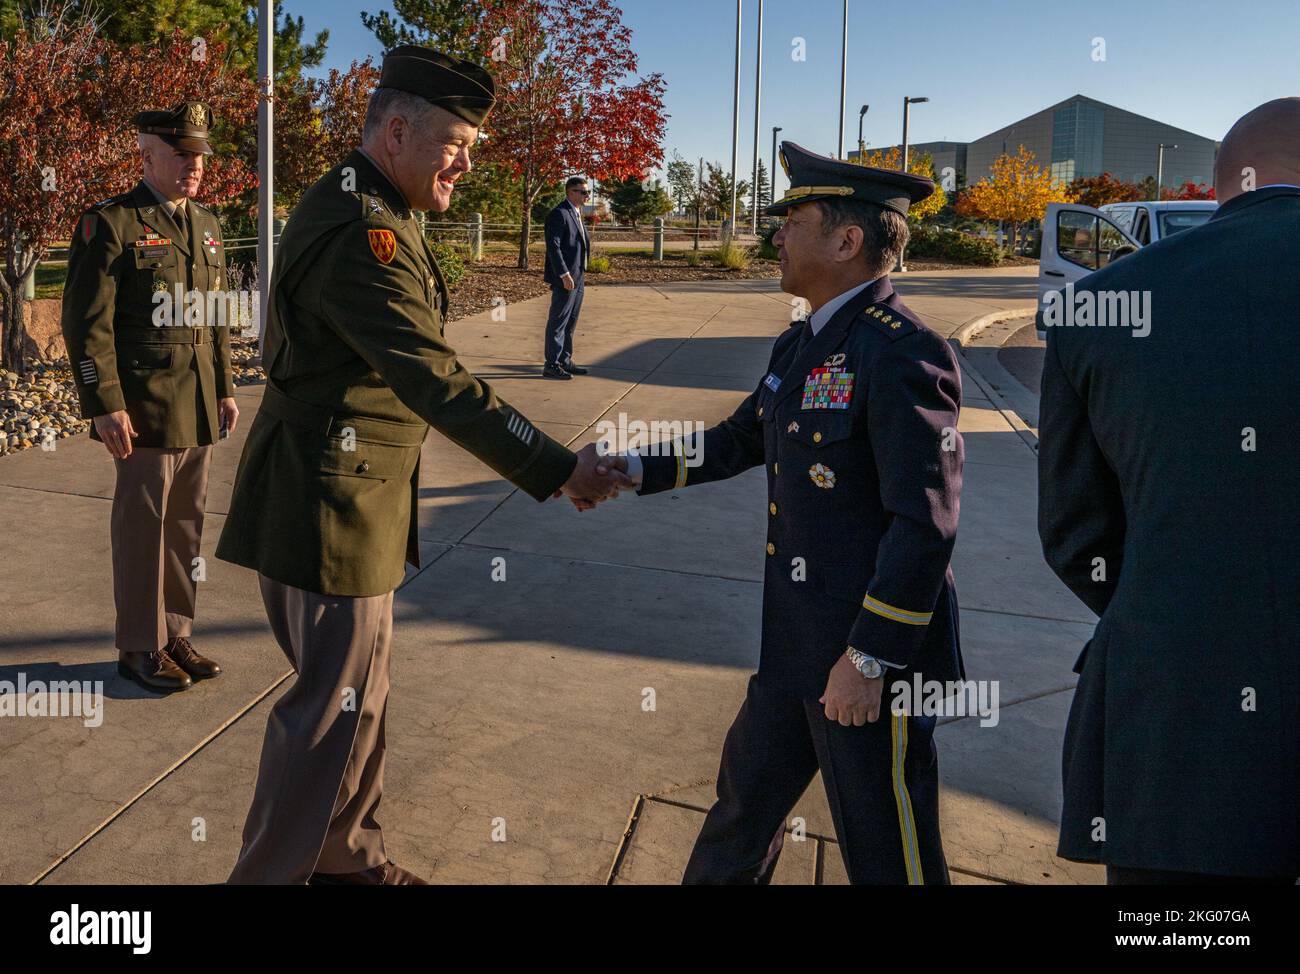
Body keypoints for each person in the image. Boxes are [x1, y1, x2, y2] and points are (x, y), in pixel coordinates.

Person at [217, 46, 627, 885]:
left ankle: (347, 860)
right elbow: (438, 380)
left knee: (359, 702)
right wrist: (557, 467)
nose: (468, 164)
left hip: (351, 501)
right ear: (397, 132)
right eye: (456, 144)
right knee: (326, 717)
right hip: (331, 509)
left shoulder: (369, 205)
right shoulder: (360, 232)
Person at [595, 143, 964, 884]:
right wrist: (628, 469)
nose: (777, 236)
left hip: (865, 662)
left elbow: (925, 523)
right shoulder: (804, 341)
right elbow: (740, 439)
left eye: (793, 220)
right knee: (741, 817)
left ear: (847, 241)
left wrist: (867, 660)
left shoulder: (903, 353)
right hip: (795, 644)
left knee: (887, 846)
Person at [1038, 97, 1300, 885]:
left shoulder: (1096, 307)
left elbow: (1076, 537)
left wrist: (1175, 612)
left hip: (1179, 742)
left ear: (1220, 185)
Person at [60, 101, 232, 693]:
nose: (194, 165)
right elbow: (87, 324)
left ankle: (174, 632)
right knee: (144, 528)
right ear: (148, 155)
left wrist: (226, 387)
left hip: (199, 404)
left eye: (199, 156)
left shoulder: (206, 225)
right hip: (143, 409)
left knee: (185, 525)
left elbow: (215, 317)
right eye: (181, 154)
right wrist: (104, 401)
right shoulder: (111, 223)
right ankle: (139, 645)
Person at [541, 176, 591, 379]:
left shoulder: (577, 213)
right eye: (583, 192)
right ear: (570, 192)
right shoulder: (559, 214)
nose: (587, 195)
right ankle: (551, 364)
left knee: (571, 321)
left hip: (579, 276)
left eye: (588, 192)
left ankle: (565, 360)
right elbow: (553, 247)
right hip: (567, 277)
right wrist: (564, 274)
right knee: (558, 321)